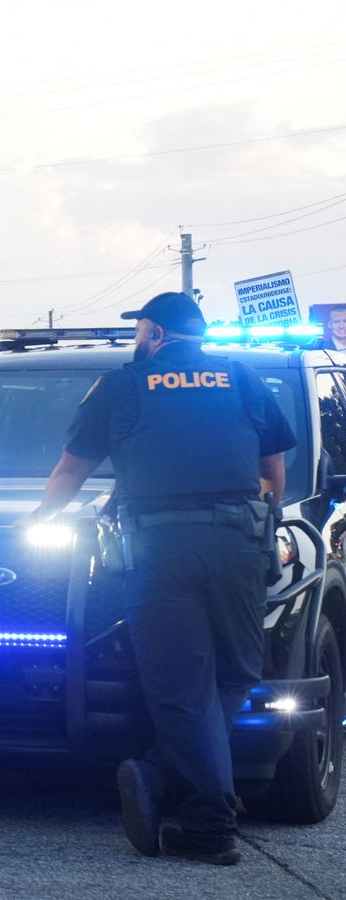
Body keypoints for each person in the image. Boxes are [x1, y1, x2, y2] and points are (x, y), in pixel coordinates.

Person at [21, 290, 294, 866]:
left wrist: (39, 519)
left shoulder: (123, 386)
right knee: (234, 672)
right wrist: (258, 524)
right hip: (238, 543)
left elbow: (72, 469)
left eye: (139, 330)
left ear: (158, 335)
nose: (136, 340)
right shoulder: (242, 379)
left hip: (159, 547)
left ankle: (204, 819)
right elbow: (273, 469)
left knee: (179, 685)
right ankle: (169, 775)